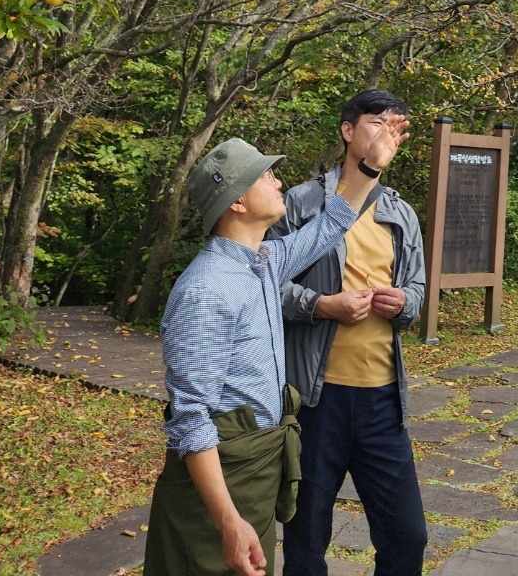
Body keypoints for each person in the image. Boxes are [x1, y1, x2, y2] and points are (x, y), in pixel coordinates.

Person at [144, 114, 409, 576]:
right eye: (266, 176)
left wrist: (369, 166)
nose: (279, 181)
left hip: (258, 467)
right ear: (238, 201)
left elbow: (331, 224)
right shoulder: (207, 289)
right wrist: (228, 522)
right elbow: (191, 419)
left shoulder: (263, 262)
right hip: (224, 480)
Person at [274, 90, 427, 576]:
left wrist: (403, 303)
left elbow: (417, 290)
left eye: (395, 127)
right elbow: (266, 285)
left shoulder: (400, 212)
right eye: (377, 122)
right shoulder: (300, 203)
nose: (386, 134)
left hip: (383, 399)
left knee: (407, 536)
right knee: (305, 536)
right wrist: (322, 305)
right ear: (347, 130)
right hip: (316, 400)